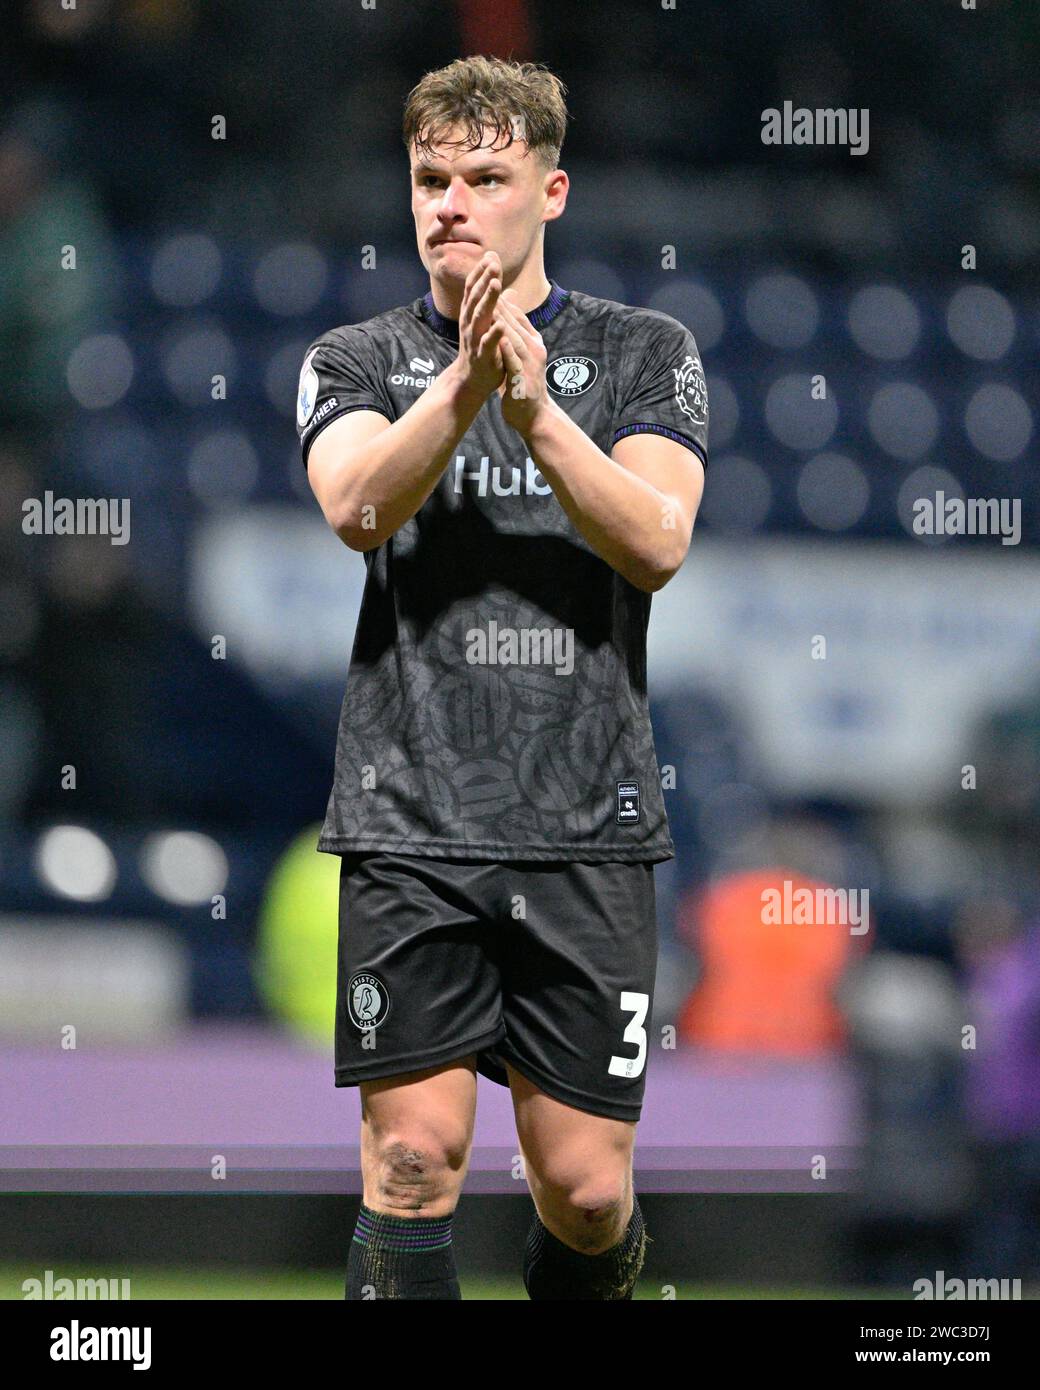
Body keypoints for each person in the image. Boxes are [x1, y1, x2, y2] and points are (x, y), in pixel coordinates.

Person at [296, 54, 708, 1300]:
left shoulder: (645, 350)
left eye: (484, 176)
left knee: (583, 1195)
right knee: (411, 1159)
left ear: (553, 190)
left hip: (586, 826)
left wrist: (531, 410)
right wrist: (470, 381)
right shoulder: (353, 356)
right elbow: (358, 504)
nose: (449, 205)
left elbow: (656, 539)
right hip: (410, 819)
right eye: (429, 178)